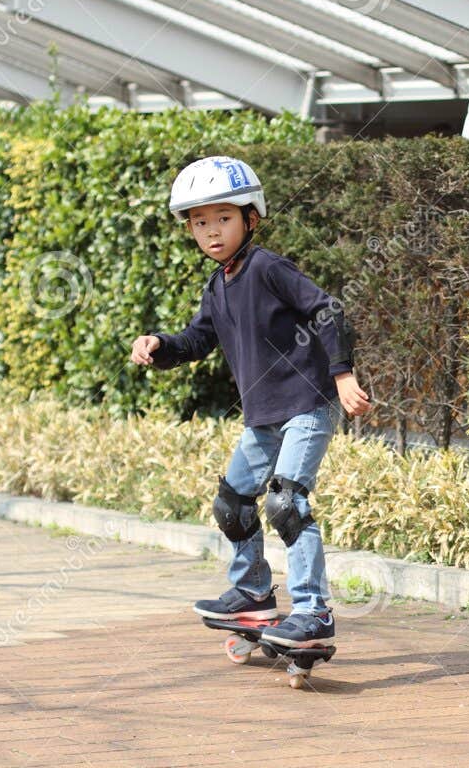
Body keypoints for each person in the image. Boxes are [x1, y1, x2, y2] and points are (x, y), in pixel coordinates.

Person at [130, 156, 371, 650]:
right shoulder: (218, 286)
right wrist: (159, 343)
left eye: (223, 218)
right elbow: (197, 340)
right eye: (200, 222)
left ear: (250, 218)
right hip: (263, 417)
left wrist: (342, 374)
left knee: (287, 504)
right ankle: (254, 593)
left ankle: (311, 611)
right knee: (233, 503)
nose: (211, 231)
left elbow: (327, 311)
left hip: (307, 402)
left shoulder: (267, 268)